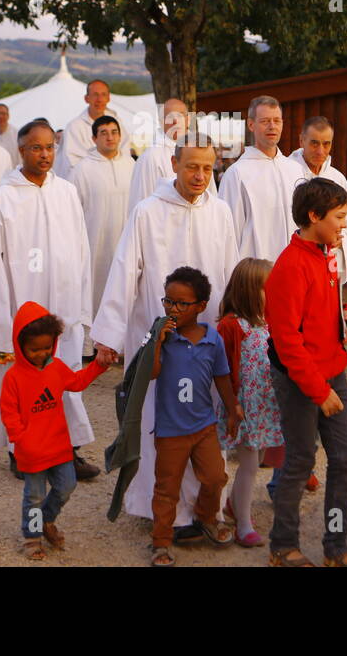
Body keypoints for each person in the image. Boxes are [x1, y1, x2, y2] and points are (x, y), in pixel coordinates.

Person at [92, 135, 239, 532]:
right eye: (192, 166)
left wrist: (233, 323)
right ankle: (159, 511)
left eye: (208, 168)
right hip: (157, 336)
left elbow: (228, 272)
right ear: (174, 164)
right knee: (160, 421)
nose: (200, 175)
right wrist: (108, 332)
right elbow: (125, 270)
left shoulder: (220, 212)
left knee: (201, 419)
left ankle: (202, 508)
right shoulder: (147, 212)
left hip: (203, 341)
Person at [0, 119, 102, 479]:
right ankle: (20, 450)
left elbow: (81, 250)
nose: (44, 155)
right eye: (35, 148)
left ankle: (67, 450)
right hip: (22, 306)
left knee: (64, 376)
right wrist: (0, 322)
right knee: (22, 384)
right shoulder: (4, 198)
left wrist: (81, 305)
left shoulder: (66, 192)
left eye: (49, 148)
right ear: (21, 150)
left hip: (63, 305)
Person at [265, 177, 347, 567]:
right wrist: (318, 391)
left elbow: (325, 308)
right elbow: (287, 339)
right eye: (339, 217)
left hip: (331, 370)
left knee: (344, 459)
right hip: (300, 379)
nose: (344, 224)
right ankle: (282, 545)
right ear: (313, 216)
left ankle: (336, 545)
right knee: (300, 462)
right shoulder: (290, 266)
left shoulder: (325, 253)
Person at [148, 266, 240, 566]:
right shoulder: (160, 335)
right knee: (166, 489)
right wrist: (157, 343)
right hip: (170, 430)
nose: (173, 309)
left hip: (203, 426)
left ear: (201, 306)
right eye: (168, 301)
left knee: (215, 477)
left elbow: (222, 377)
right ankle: (161, 541)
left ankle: (205, 518)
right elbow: (150, 374)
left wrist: (231, 409)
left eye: (181, 304)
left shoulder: (212, 340)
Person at [2, 301, 109, 560]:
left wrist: (99, 365)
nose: (41, 353)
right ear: (20, 345)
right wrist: (20, 439)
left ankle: (46, 521)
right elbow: (8, 412)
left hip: (59, 447)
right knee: (34, 496)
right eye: (34, 349)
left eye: (47, 347)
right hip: (32, 451)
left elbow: (77, 381)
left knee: (67, 486)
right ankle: (32, 536)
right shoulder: (13, 377)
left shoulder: (56, 367)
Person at [215, 257, 281, 548]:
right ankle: (243, 523)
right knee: (250, 464)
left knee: (262, 457)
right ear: (249, 291)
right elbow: (221, 369)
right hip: (243, 408)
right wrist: (232, 405)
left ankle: (233, 504)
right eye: (270, 289)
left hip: (266, 405)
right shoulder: (231, 326)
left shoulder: (270, 322)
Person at [219, 96, 305, 262]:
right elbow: (229, 234)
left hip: (294, 266)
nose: (272, 126)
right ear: (251, 125)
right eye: (265, 121)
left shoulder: (295, 170)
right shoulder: (237, 174)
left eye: (276, 121)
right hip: (254, 272)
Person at [288, 116, 347, 286]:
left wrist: (339, 238)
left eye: (326, 144)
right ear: (301, 140)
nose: (321, 151)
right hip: (296, 261)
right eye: (314, 143)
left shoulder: (337, 178)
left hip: (328, 261)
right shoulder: (285, 174)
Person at [70, 114, 134, 311]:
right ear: (94, 139)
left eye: (114, 132)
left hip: (127, 242)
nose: (110, 137)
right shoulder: (82, 170)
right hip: (95, 245)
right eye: (104, 133)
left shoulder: (132, 165)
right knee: (96, 294)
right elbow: (72, 211)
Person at [127, 99, 214, 212]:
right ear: (161, 121)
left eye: (180, 116)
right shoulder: (150, 157)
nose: (175, 121)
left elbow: (211, 195)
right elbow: (141, 204)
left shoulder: (201, 150)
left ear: (188, 120)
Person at [56, 79, 130, 179]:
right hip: (89, 181)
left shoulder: (117, 123)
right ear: (86, 98)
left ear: (108, 98)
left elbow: (125, 153)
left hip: (117, 177)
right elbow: (72, 161)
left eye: (103, 94)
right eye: (95, 94)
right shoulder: (74, 127)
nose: (99, 99)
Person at [0, 102, 21, 169]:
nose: (0, 116)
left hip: (13, 174)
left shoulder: (17, 134)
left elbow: (21, 158)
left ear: (8, 116)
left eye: (3, 114)